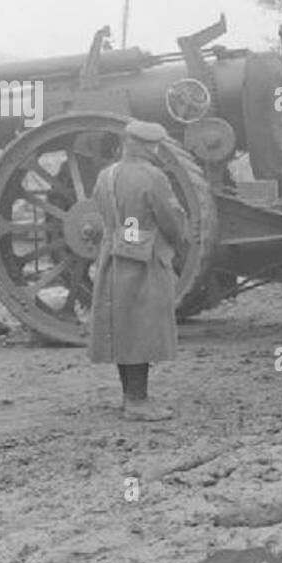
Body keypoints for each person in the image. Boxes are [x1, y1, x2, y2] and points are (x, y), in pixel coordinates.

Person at [87, 120, 188, 420]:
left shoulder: (106, 175)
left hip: (112, 256)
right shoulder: (153, 176)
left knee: (122, 327)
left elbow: (99, 213)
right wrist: (177, 239)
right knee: (142, 328)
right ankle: (138, 402)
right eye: (155, 146)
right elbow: (170, 220)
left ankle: (128, 396)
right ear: (147, 147)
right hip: (145, 259)